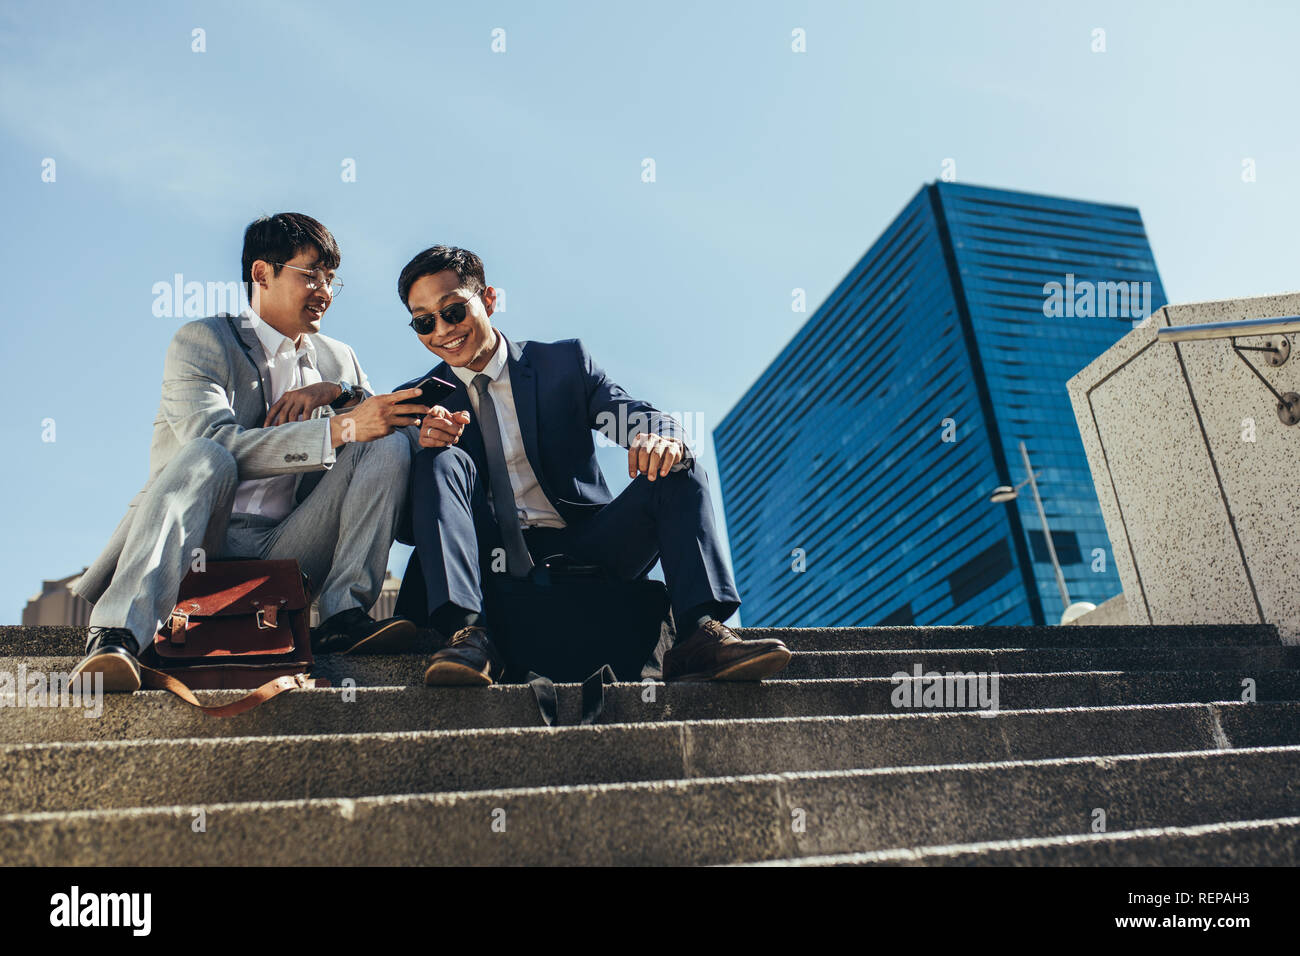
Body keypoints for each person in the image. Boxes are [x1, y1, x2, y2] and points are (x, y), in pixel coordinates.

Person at [393, 245, 791, 686]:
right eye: (424, 322)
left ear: (488, 300)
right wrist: (422, 449)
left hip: (586, 546)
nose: (442, 331)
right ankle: (466, 635)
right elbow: (410, 530)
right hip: (486, 556)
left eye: (452, 311)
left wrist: (662, 438)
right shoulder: (416, 399)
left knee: (680, 468)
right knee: (441, 458)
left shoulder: (562, 364)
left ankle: (700, 634)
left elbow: (627, 412)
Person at [70, 213, 426, 692]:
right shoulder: (203, 341)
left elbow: (375, 421)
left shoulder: (339, 357)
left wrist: (339, 392)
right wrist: (340, 428)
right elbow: (218, 442)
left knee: (386, 439)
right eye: (310, 274)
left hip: (290, 544)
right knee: (206, 455)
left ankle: (344, 615)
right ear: (262, 274)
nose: (324, 290)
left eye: (330, 278)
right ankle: (117, 636)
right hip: (199, 542)